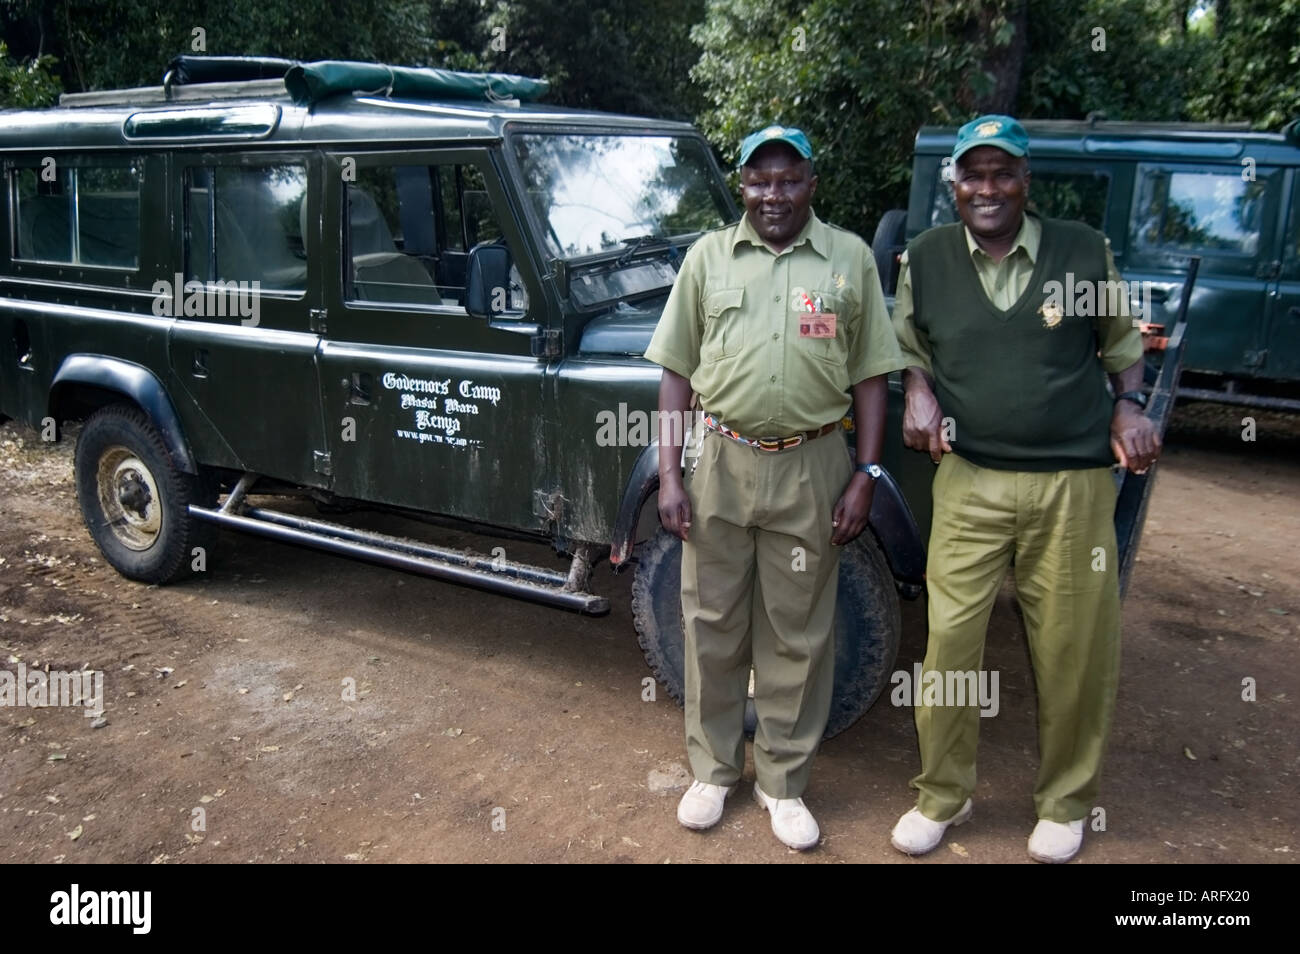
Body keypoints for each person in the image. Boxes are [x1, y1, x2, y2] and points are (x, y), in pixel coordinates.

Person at [888, 114, 1161, 863]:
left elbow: (1122, 350)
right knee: (948, 644)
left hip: (1072, 484)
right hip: (970, 478)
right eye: (972, 175)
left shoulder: (1080, 251)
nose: (986, 187)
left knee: (1074, 647)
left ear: (1025, 181)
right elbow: (913, 347)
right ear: (954, 186)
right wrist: (918, 391)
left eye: (1001, 172)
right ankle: (943, 793)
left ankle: (1066, 802)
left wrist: (1130, 405)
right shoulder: (930, 257)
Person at [644, 124, 904, 851]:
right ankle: (714, 770)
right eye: (759, 180)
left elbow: (873, 376)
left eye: (788, 179)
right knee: (712, 623)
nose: (773, 194)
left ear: (811, 184)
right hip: (720, 461)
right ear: (743, 187)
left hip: (814, 466)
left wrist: (868, 473)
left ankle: (784, 783)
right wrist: (670, 474)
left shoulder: (848, 258)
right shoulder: (708, 259)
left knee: (799, 631)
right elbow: (675, 374)